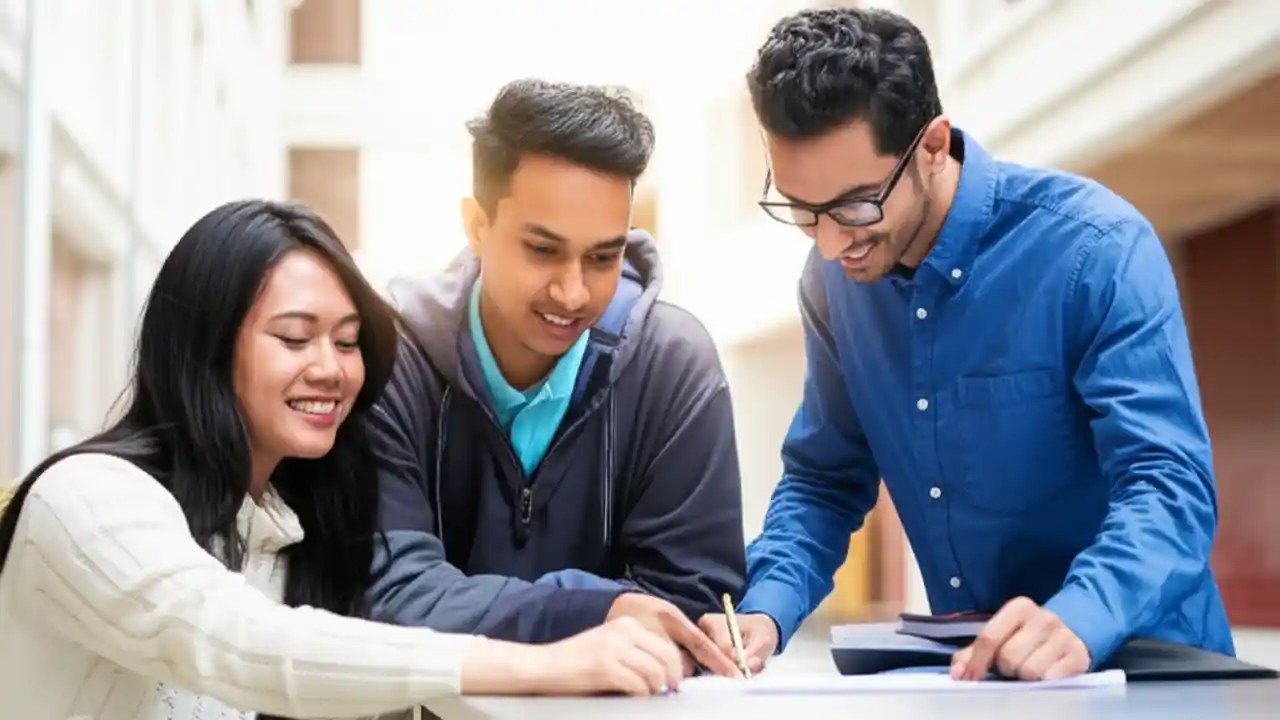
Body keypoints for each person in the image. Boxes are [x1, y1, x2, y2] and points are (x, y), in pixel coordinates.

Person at [0, 200, 703, 720]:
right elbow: (242, 645)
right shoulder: (87, 500)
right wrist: (550, 664)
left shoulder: (287, 537)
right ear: (207, 349)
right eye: (295, 337)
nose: (332, 369)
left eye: (346, 341)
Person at [699, 7, 1231, 682]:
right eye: (803, 212)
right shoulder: (832, 284)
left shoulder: (1095, 251)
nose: (832, 243)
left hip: (1155, 672)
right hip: (986, 680)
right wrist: (765, 610)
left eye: (856, 206)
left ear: (932, 144)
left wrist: (1080, 613)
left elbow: (1169, 485)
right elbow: (825, 479)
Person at [364, 78, 747, 663]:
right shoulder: (387, 358)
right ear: (477, 227)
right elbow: (387, 595)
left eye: (603, 258)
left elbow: (692, 611)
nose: (572, 292)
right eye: (542, 250)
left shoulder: (675, 366)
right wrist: (595, 610)